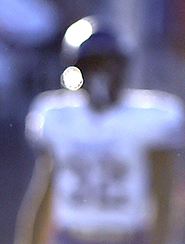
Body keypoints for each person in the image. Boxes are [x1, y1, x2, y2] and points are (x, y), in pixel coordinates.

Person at [14, 16, 185, 244]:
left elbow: (163, 193)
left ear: (122, 66)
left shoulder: (151, 118)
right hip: (71, 237)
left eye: (107, 64)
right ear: (76, 70)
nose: (101, 75)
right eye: (92, 65)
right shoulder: (59, 117)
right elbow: (45, 190)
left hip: (128, 237)